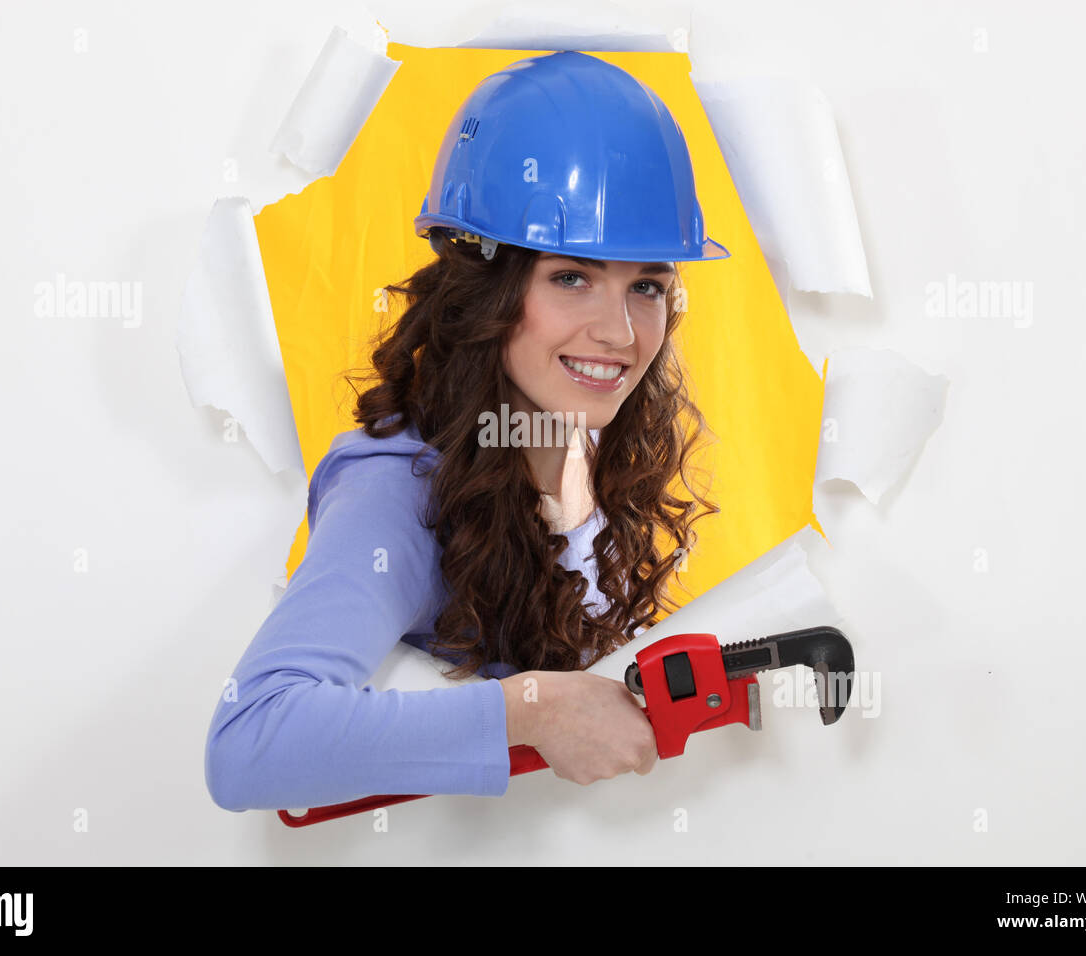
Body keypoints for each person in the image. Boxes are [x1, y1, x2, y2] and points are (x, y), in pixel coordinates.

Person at [205, 51, 729, 812]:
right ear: (488, 286)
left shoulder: (568, 435)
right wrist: (532, 710)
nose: (620, 333)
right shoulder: (398, 483)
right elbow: (250, 742)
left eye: (645, 286)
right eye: (572, 277)